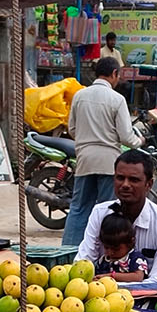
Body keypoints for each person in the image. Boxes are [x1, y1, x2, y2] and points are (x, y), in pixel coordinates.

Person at [63, 56, 142, 249]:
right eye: (119, 75)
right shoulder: (117, 99)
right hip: (108, 162)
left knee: (79, 208)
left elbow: (72, 128)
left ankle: (68, 250)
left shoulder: (80, 95)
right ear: (114, 74)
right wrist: (139, 141)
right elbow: (126, 136)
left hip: (84, 160)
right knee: (108, 208)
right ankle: (102, 250)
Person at [76, 149, 157, 282]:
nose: (125, 185)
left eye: (134, 180)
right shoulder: (99, 213)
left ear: (149, 184)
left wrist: (113, 286)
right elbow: (83, 262)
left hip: (148, 296)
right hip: (101, 296)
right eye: (120, 178)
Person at [92, 211, 149, 281]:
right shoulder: (104, 261)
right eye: (106, 248)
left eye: (116, 249)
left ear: (130, 243)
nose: (110, 252)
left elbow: (138, 277)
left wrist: (112, 276)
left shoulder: (135, 258)